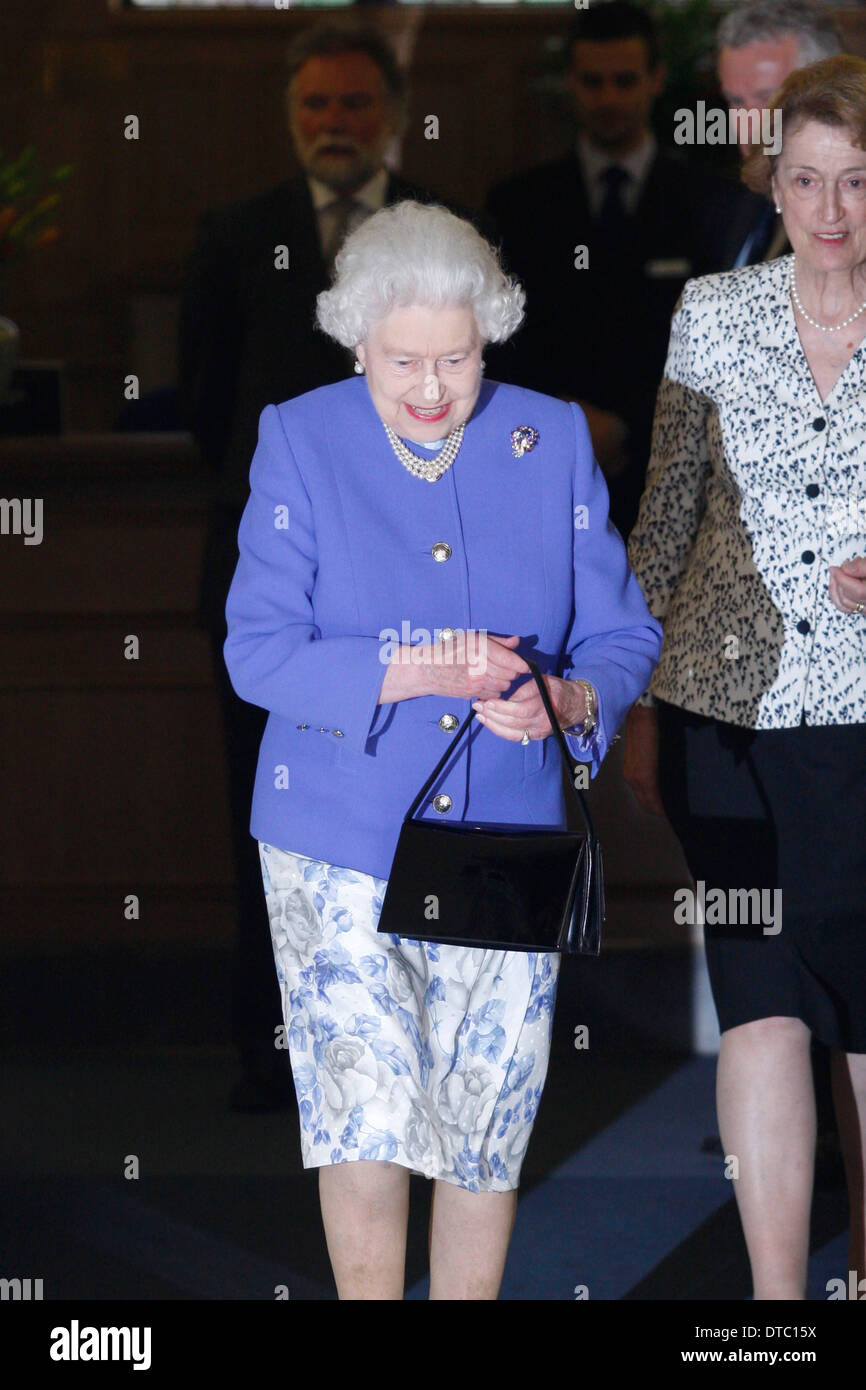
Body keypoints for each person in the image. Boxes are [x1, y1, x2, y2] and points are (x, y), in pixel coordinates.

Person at [223, 200, 662, 1299]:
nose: (429, 388)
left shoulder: (549, 435)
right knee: (365, 1113)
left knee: (482, 1123)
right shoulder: (300, 435)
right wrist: (420, 667)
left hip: (503, 832)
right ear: (355, 341)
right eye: (402, 362)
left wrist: (567, 698)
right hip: (334, 835)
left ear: (489, 335)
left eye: (456, 360)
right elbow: (257, 654)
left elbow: (621, 634)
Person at [178, 23, 462, 1111]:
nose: (332, 126)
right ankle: (278, 1044)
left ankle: (414, 1036)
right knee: (275, 811)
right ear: (290, 116)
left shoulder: (441, 230)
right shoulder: (235, 234)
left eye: (351, 105)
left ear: (389, 111)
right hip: (271, 593)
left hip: (417, 587)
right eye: (313, 107)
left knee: (414, 812)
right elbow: (211, 410)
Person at [624, 54, 866, 1300]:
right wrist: (620, 686)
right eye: (804, 180)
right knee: (760, 1005)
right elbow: (665, 517)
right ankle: (777, 1307)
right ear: (769, 181)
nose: (827, 212)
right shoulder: (712, 317)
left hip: (863, 724)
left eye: (856, 183)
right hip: (723, 717)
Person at [484, 1, 751, 538]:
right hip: (543, 464)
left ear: (655, 81)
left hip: (677, 472)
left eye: (624, 81)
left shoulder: (712, 204)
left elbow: (719, 349)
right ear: (569, 83)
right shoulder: (519, 205)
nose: (608, 98)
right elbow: (497, 338)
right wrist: (568, 423)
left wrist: (625, 426)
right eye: (593, 81)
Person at [717, 0, 843, 268]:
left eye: (769, 100)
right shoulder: (744, 200)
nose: (749, 123)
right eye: (736, 101)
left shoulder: (852, 213)